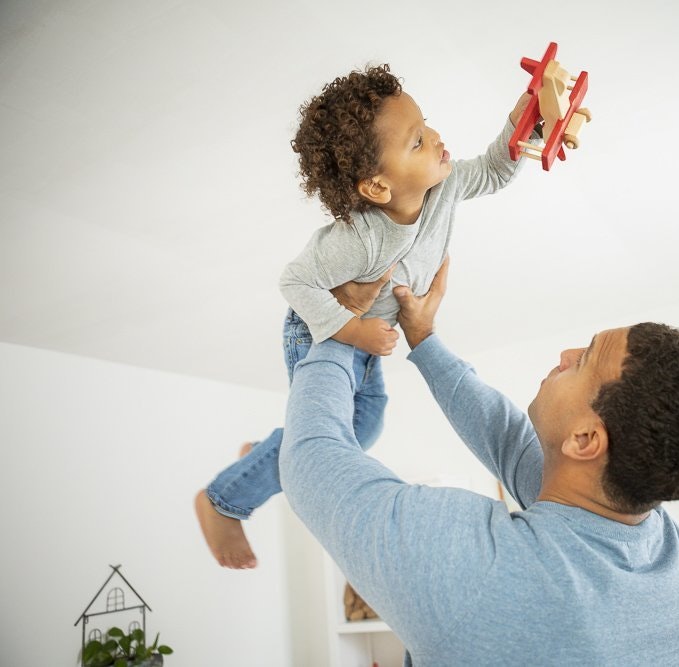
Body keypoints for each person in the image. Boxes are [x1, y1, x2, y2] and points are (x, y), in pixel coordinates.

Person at [279, 260, 679, 665]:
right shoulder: (668, 555)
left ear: (585, 439)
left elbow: (312, 457)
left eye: (584, 361)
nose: (566, 355)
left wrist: (338, 326)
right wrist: (423, 338)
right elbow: (514, 442)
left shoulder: (482, 571)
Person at [195, 63, 537, 569]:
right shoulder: (359, 237)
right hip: (322, 329)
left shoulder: (444, 187)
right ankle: (223, 501)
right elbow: (294, 283)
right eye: (418, 141)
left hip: (367, 336)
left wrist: (529, 119)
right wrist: (351, 327)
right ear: (377, 187)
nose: (437, 138)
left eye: (426, 125)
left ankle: (267, 454)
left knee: (366, 426)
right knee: (331, 438)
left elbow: (494, 168)